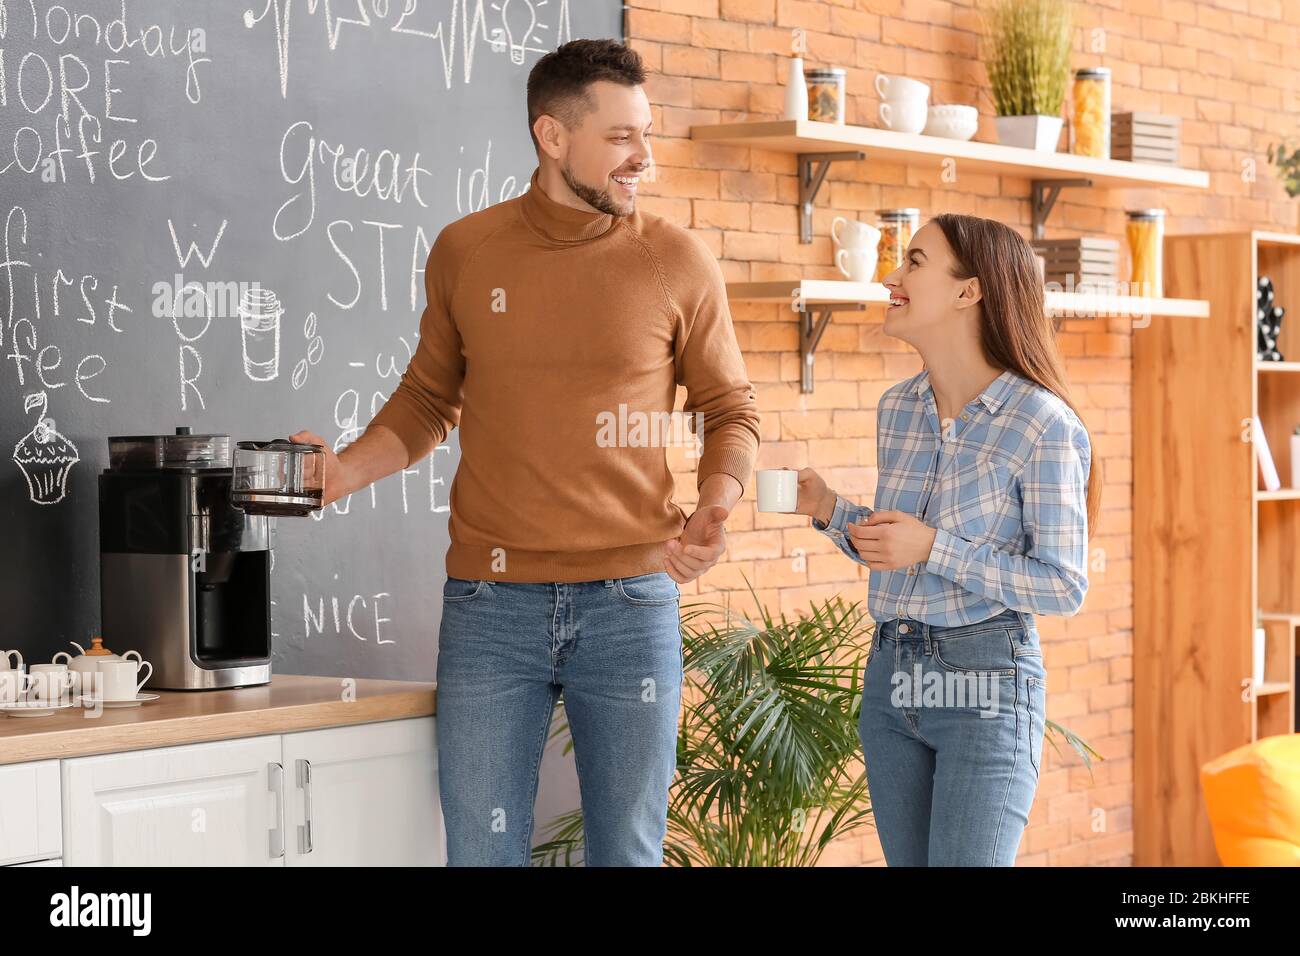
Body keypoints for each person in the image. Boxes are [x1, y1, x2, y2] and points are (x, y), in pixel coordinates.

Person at [291, 39, 760, 866]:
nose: (643, 159)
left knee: (627, 852)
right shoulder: (468, 251)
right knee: (481, 853)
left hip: (630, 606)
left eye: (644, 136)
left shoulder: (676, 261)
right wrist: (341, 475)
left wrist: (716, 503)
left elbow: (729, 408)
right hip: (490, 608)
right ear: (552, 136)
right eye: (621, 139)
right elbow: (430, 400)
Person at [793, 213, 1098, 866]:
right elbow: (898, 552)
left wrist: (935, 547)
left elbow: (1064, 583)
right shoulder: (897, 409)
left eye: (913, 262)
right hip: (892, 680)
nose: (890, 276)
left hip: (987, 683)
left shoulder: (1040, 423)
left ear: (970, 291)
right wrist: (828, 511)